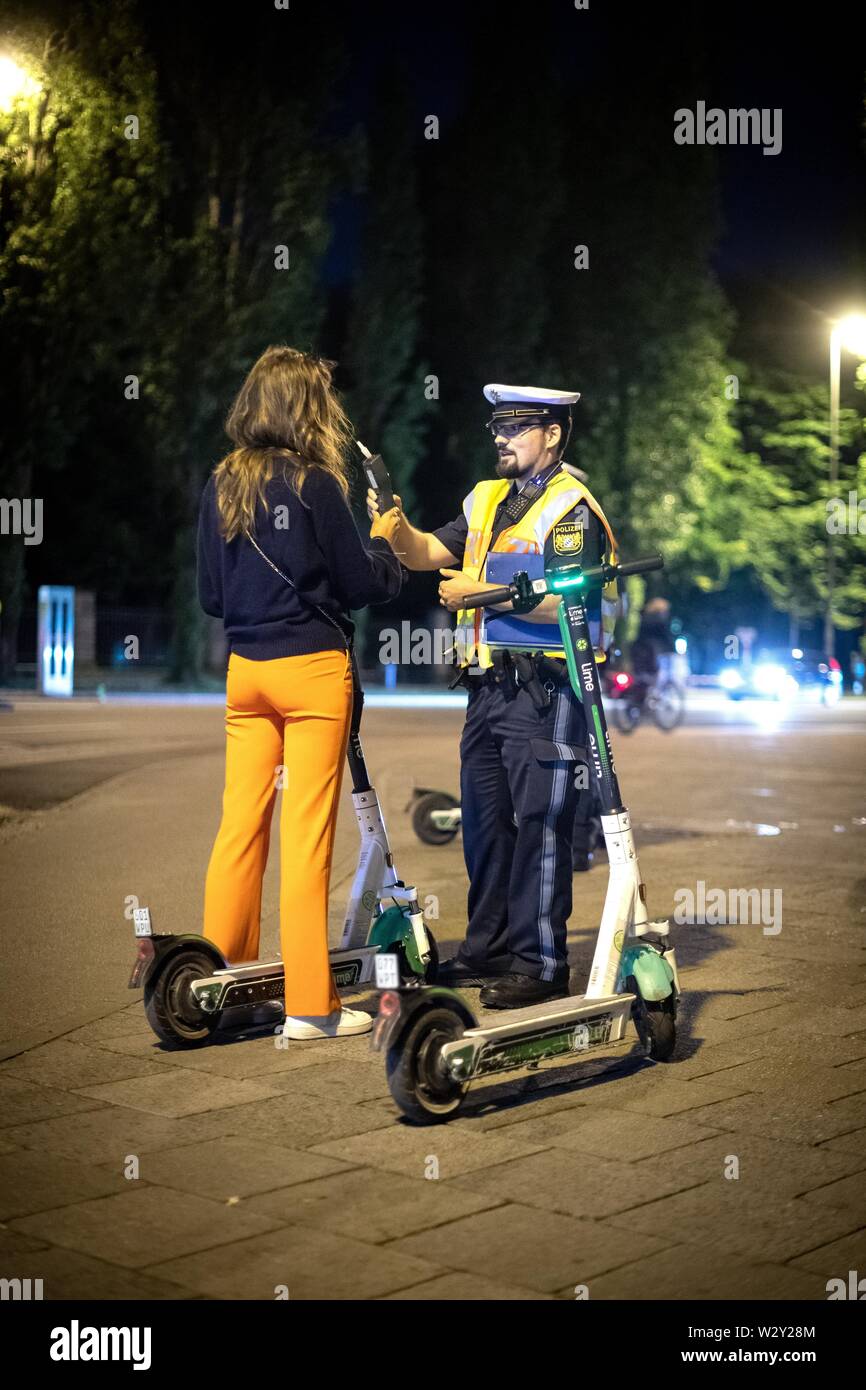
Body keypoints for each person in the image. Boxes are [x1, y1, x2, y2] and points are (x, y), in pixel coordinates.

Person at [368, 382, 620, 1008]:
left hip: (548, 691)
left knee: (542, 825)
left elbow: (572, 601)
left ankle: (540, 964)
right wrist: (395, 524)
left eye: (515, 427)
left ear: (552, 433)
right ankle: (489, 949)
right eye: (496, 428)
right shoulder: (488, 500)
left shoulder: (571, 508)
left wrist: (481, 593)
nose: (501, 438)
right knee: (484, 826)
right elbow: (428, 552)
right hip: (486, 691)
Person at [196, 346, 403, 1040]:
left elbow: (209, 596)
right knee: (307, 836)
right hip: (312, 672)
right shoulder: (316, 485)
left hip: (246, 674)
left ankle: (221, 984)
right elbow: (361, 586)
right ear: (306, 410)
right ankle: (311, 1005)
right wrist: (383, 544)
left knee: (239, 828)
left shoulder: (221, 484)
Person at [631, 597, 676, 704]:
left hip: (640, 649)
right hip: (653, 650)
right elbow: (664, 636)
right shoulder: (659, 619)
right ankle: (653, 697)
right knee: (658, 672)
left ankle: (644, 699)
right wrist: (672, 649)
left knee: (644, 675)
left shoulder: (644, 617)